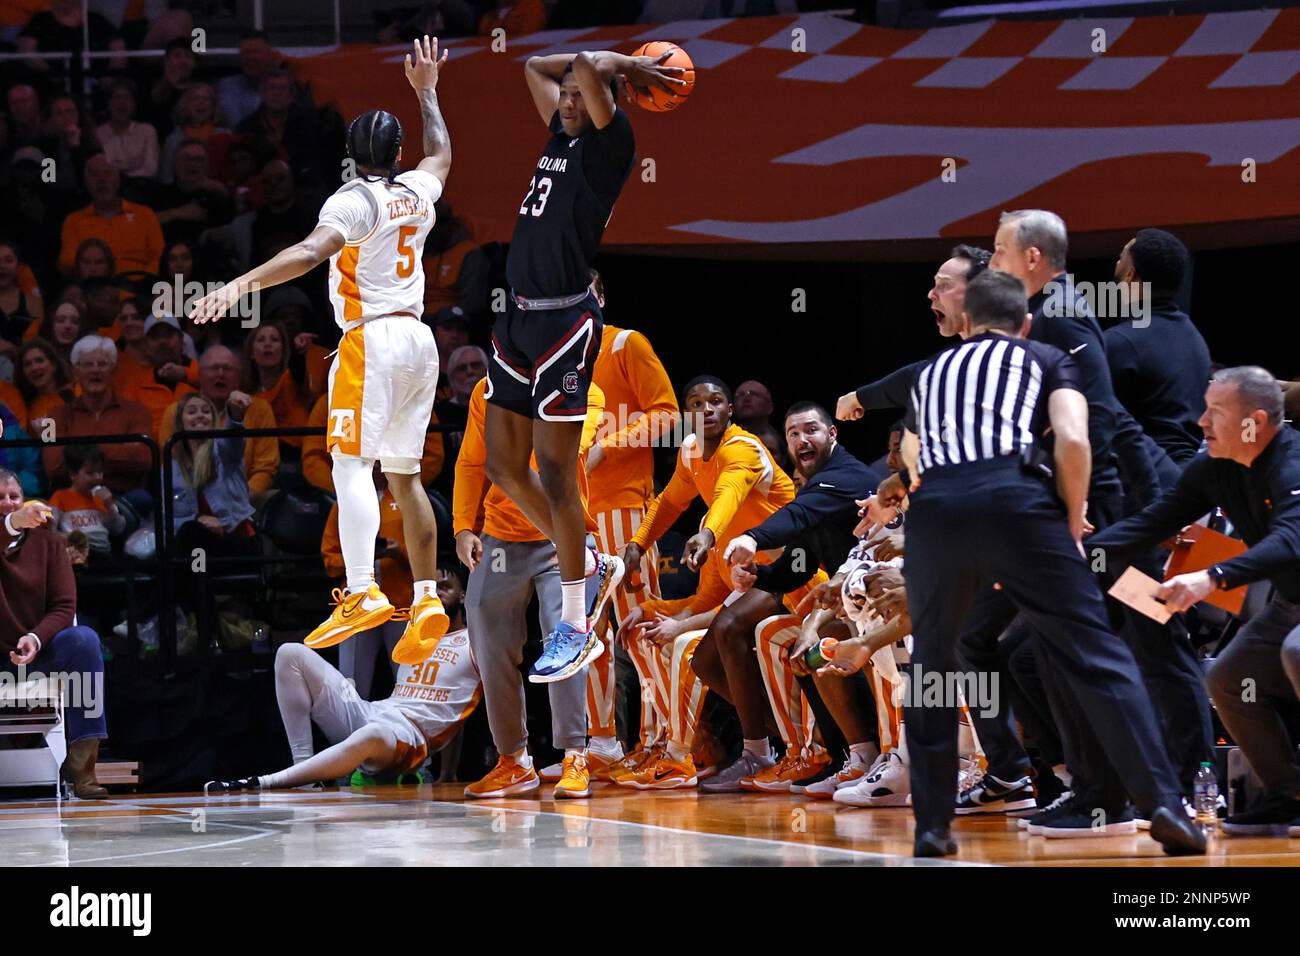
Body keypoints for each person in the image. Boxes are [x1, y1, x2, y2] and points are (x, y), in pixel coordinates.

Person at [885, 268, 1203, 857]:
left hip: (937, 511)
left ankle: (932, 827)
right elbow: (1074, 440)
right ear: (1026, 322)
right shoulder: (1045, 358)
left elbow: (911, 455)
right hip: (1020, 505)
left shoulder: (930, 373)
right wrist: (1072, 520)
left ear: (968, 319)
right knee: (1099, 657)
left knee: (932, 668)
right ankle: (1164, 805)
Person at [191, 36, 454, 666]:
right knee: (405, 476)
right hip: (420, 342)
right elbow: (442, 153)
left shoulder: (352, 200)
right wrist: (427, 92)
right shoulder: (417, 189)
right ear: (396, 155)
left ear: (350, 156)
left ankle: (362, 590)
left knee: (349, 466)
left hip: (372, 340)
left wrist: (237, 287)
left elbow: (310, 253)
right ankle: (426, 597)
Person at [482, 45, 684, 683]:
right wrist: (586, 71)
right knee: (502, 466)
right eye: (564, 93)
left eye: (577, 95)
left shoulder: (610, 144)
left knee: (554, 473)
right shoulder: (561, 135)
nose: (566, 100)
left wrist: (623, 65)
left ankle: (575, 624)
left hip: (565, 322)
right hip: (518, 317)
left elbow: (589, 70)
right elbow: (533, 65)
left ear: (604, 102)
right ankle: (589, 557)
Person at [1088, 367, 1300, 837]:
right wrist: (1076, 555)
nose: (1201, 422)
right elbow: (1153, 521)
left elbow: (1292, 540)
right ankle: (1287, 795)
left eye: (1215, 411)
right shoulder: (1214, 468)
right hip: (1290, 604)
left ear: (1254, 423)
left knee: (1297, 652)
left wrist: (1213, 576)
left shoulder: (1292, 464)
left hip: (1289, 608)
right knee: (1228, 678)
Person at [618, 376, 795, 787]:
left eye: (716, 401)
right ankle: (694, 746)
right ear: (686, 415)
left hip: (788, 574)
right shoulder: (692, 453)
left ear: (730, 410)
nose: (707, 409)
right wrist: (638, 546)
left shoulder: (743, 448)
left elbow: (730, 491)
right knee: (659, 638)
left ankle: (688, 755)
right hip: (742, 575)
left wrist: (708, 534)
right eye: (696, 403)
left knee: (704, 637)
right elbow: (668, 502)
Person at [455, 375, 612, 799]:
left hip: (562, 534)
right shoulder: (487, 389)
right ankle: (513, 761)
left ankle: (574, 754)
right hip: (501, 536)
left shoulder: (583, 388)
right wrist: (464, 525)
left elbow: (560, 453)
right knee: (487, 639)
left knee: (564, 638)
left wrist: (507, 432)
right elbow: (471, 460)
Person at [205, 569, 480, 793]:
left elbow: (459, 712)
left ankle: (266, 782)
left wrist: (449, 774)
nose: (437, 593)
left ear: (464, 596)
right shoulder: (414, 633)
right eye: (432, 588)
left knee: (372, 734)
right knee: (290, 653)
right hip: (374, 712)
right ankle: (306, 778)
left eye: (445, 587)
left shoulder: (475, 642)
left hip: (408, 738)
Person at [585, 274, 679, 765]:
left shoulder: (625, 343)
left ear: (600, 297)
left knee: (639, 625)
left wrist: (609, 444)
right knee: (586, 633)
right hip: (571, 514)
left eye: (583, 294)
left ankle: (664, 741)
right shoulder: (552, 358)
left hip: (623, 506)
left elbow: (668, 416)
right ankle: (602, 742)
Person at [0, 469, 109, 799]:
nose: (8, 502)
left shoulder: (49, 543)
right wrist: (12, 522)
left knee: (83, 640)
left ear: (25, 499)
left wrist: (35, 638)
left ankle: (82, 766)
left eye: (14, 496)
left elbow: (64, 606)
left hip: (36, 654)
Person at [1106, 228, 1211, 487]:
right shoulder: (1195, 338)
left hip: (1144, 485)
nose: (1116, 265)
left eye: (1120, 259)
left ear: (1130, 274)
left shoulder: (1120, 342)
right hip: (1188, 482)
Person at [160, 346, 279, 503]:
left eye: (228, 369)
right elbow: (173, 466)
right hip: (191, 501)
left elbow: (265, 468)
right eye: (214, 368)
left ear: (238, 376)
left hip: (246, 500)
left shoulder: (260, 409)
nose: (221, 374)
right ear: (200, 374)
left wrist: (238, 501)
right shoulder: (175, 412)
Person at [40, 336, 153, 494]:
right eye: (88, 364)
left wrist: (77, 451)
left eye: (102, 364)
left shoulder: (140, 412)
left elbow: (143, 459)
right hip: (72, 500)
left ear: (113, 371)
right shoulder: (51, 418)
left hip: (125, 498)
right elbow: (52, 467)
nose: (95, 370)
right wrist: (118, 452)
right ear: (75, 372)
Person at [58, 154, 164, 276]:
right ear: (86, 182)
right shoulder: (73, 221)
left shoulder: (145, 215)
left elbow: (159, 257)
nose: (101, 180)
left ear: (118, 179)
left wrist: (145, 281)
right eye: (94, 175)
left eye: (107, 173)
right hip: (94, 283)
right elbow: (67, 262)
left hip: (138, 283)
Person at [116, 314, 197, 440]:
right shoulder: (135, 385)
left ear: (181, 340)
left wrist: (186, 375)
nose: (162, 341)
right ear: (146, 345)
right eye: (155, 337)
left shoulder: (205, 372)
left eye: (168, 335)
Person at [48, 444, 124, 558]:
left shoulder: (103, 499)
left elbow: (117, 529)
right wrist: (69, 539)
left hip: (103, 552)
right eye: (90, 473)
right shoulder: (60, 497)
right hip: (77, 551)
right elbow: (50, 531)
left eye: (100, 472)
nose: (97, 477)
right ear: (73, 474)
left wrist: (109, 505)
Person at [95, 79, 160, 181]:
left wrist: (122, 177)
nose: (122, 102)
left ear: (134, 105)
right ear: (108, 104)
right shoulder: (98, 133)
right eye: (117, 97)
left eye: (127, 98)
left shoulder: (147, 131)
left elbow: (150, 169)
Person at [16, 338, 75, 425]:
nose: (34, 368)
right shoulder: (26, 408)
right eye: (28, 364)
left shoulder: (77, 391)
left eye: (39, 361)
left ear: (54, 364)